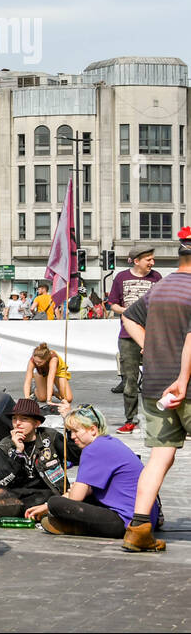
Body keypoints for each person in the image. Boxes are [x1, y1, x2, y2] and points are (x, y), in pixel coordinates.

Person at [120, 229, 191, 552]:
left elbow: (131, 319)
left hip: (155, 386)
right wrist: (183, 376)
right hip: (184, 387)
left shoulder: (160, 287)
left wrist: (151, 347)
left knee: (159, 457)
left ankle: (138, 528)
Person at [25, 405, 154, 538]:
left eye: (76, 431)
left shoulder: (92, 449)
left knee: (55, 502)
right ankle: (70, 524)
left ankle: (75, 526)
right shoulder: (110, 443)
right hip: (144, 518)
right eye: (70, 432)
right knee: (76, 498)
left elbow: (76, 497)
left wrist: (50, 505)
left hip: (124, 521)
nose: (72, 436)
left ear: (93, 429)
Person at [108, 245, 161, 432]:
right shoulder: (121, 278)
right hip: (127, 336)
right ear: (136, 261)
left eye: (153, 259)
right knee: (130, 380)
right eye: (149, 259)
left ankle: (155, 420)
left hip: (152, 335)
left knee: (155, 380)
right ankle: (131, 420)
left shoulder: (157, 278)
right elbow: (113, 304)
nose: (152, 263)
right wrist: (129, 312)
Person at [0, 398, 67, 513]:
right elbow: (1, 482)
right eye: (14, 419)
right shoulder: (6, 445)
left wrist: (68, 422)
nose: (18, 423)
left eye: (24, 419)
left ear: (37, 423)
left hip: (49, 494)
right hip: (18, 497)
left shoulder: (50, 437)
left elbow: (77, 454)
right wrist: (18, 452)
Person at [23, 342, 72, 407]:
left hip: (58, 373)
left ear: (46, 359)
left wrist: (49, 400)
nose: (37, 363)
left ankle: (53, 392)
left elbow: (50, 379)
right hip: (42, 373)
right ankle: (35, 390)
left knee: (68, 399)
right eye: (35, 361)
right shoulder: (32, 360)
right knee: (42, 398)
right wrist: (27, 399)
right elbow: (27, 380)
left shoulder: (53, 359)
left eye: (39, 362)